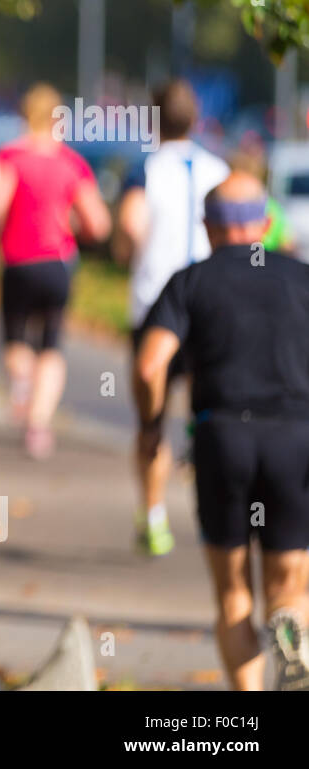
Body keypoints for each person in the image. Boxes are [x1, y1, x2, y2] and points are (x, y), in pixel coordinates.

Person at [135, 171, 309, 691]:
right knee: (289, 583)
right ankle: (293, 627)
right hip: (296, 439)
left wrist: (150, 426)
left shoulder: (190, 281)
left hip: (222, 436)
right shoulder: (302, 278)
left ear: (208, 227)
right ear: (265, 223)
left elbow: (150, 366)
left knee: (233, 592)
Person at [115, 79, 229, 556]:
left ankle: (154, 516)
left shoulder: (145, 168)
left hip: (155, 306)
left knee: (151, 420)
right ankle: (213, 513)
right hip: (209, 305)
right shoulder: (218, 168)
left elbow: (129, 224)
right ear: (196, 119)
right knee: (209, 415)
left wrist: (128, 254)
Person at [0, 84, 110, 459]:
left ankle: (22, 387)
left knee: (15, 338)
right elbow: (100, 224)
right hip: (57, 262)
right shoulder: (73, 163)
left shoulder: (10, 156)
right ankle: (38, 425)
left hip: (17, 261)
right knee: (52, 343)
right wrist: (73, 226)